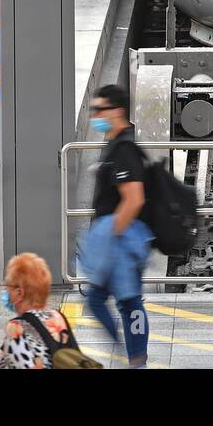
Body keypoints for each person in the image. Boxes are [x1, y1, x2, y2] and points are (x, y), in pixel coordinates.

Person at [78, 84, 151, 368]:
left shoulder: (124, 149)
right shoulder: (116, 142)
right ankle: (133, 358)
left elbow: (133, 199)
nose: (94, 114)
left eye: (100, 109)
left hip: (120, 239)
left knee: (114, 301)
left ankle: (133, 358)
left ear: (117, 111)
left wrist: (109, 240)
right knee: (125, 301)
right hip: (117, 237)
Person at [0, 253, 84, 368]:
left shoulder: (16, 327)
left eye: (8, 286)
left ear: (19, 293)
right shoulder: (58, 316)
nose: (5, 291)